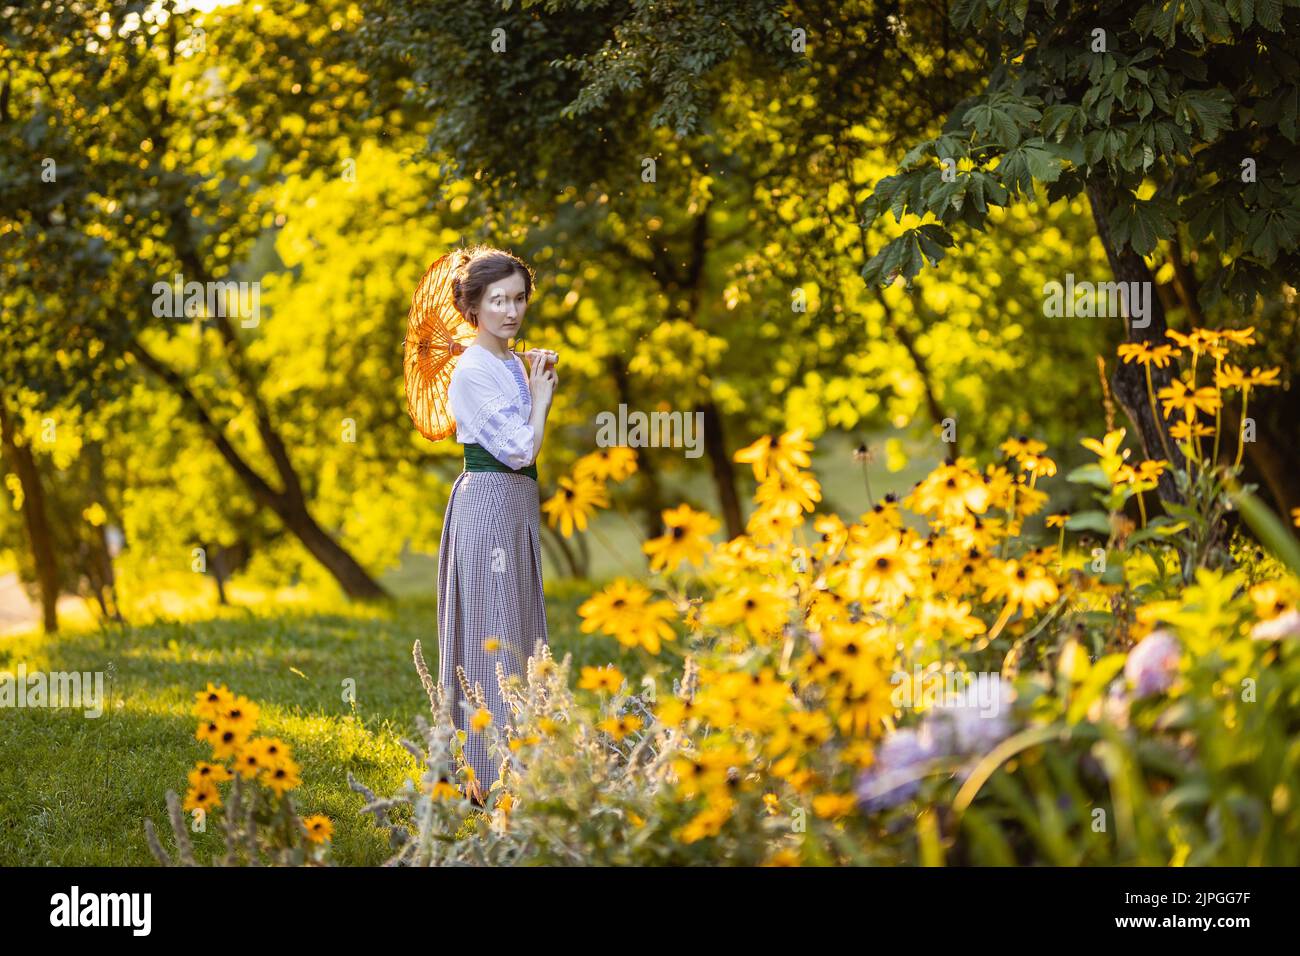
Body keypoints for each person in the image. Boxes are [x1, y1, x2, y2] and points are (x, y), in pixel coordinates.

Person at [436, 244, 558, 807]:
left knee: (520, 620)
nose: (511, 312)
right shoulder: (472, 369)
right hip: (488, 501)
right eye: (497, 301)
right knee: (493, 625)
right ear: (475, 307)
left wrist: (531, 379)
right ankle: (489, 773)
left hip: (514, 504)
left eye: (518, 299)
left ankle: (525, 758)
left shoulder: (509, 361)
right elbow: (517, 449)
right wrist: (541, 400)